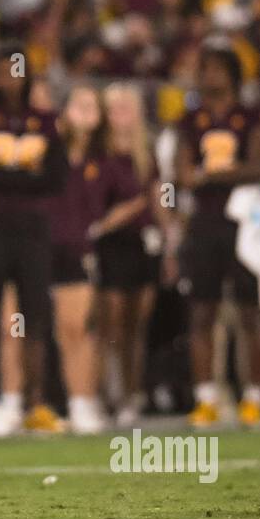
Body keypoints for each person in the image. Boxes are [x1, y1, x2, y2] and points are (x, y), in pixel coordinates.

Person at [0, 47, 67, 436]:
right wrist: (25, 172)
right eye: (2, 71)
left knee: (36, 316)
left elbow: (56, 177)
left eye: (16, 71)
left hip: (34, 230)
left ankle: (35, 403)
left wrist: (7, 173)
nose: (9, 79)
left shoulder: (45, 121)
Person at [175, 42, 260, 427]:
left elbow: (259, 167)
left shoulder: (251, 117)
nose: (209, 76)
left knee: (250, 311)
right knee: (202, 311)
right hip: (205, 223)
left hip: (246, 222)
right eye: (205, 69)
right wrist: (217, 174)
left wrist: (210, 175)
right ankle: (206, 398)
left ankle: (255, 396)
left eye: (217, 69)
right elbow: (182, 174)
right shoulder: (189, 120)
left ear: (232, 74)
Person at [91, 82, 162, 427]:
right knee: (111, 326)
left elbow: (158, 199)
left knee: (137, 326)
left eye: (126, 108)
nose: (121, 115)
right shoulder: (99, 153)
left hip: (142, 245)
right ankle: (107, 397)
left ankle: (132, 396)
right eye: (114, 109)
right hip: (109, 246)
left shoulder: (146, 152)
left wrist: (169, 239)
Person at [48, 84, 106, 434]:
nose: (85, 113)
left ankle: (82, 402)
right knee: (22, 328)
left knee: (77, 330)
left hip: (76, 249)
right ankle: (27, 405)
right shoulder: (49, 149)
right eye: (78, 104)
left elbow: (136, 196)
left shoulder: (104, 157)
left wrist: (100, 228)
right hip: (37, 246)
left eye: (92, 106)